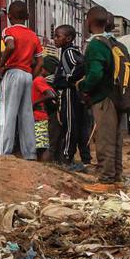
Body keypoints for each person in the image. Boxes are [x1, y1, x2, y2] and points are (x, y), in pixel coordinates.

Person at [79, 5, 125, 183]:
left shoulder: (96, 45)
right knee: (116, 138)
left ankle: (106, 178)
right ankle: (116, 175)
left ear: (89, 22)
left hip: (104, 98)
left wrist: (85, 87)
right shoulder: (117, 44)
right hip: (119, 97)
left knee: (104, 138)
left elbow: (96, 73)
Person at [0, 1, 42, 160]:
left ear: (9, 16)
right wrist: (31, 75)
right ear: (27, 17)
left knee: (6, 112)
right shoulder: (33, 35)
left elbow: (10, 46)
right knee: (26, 115)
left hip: (13, 73)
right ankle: (30, 154)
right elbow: (40, 62)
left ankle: (3, 151)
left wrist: (1, 66)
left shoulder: (8, 30)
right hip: (27, 75)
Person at [51, 25, 91, 172]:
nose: (54, 39)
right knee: (81, 127)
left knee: (70, 126)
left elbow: (81, 66)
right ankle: (86, 159)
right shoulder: (72, 52)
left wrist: (70, 80)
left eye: (57, 36)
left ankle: (67, 158)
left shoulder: (68, 53)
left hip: (70, 93)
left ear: (68, 39)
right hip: (77, 94)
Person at [32, 66, 57, 162]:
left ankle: (45, 168)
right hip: (39, 116)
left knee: (42, 147)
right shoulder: (40, 80)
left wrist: (34, 103)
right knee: (40, 146)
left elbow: (51, 95)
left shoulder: (38, 80)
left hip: (39, 117)